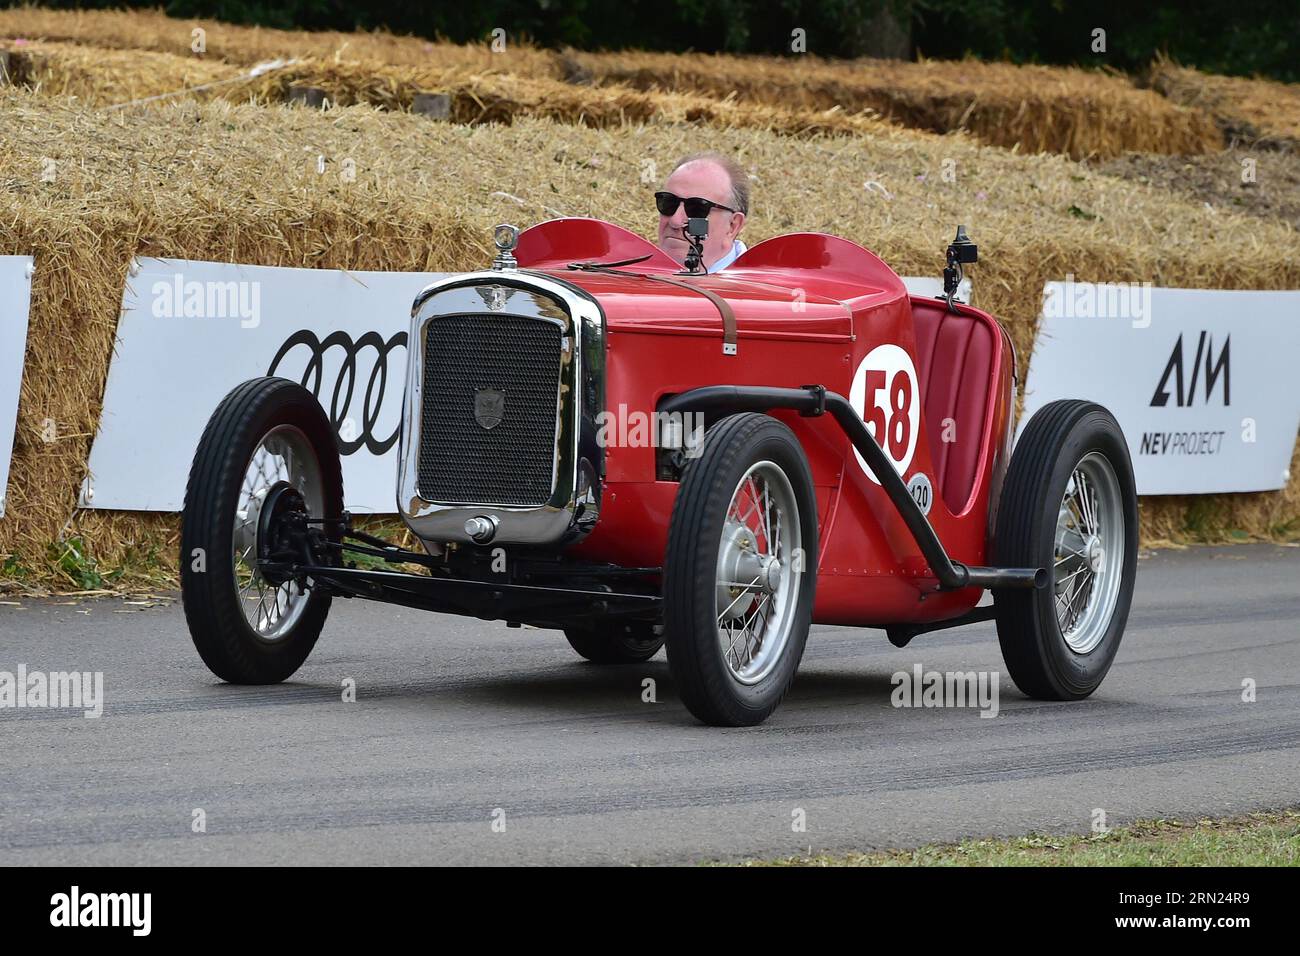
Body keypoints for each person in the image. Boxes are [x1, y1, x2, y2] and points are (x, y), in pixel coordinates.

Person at [655, 152, 749, 272]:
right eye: (669, 203)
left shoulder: (763, 288)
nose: (675, 221)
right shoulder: (632, 275)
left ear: (732, 226)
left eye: (696, 209)